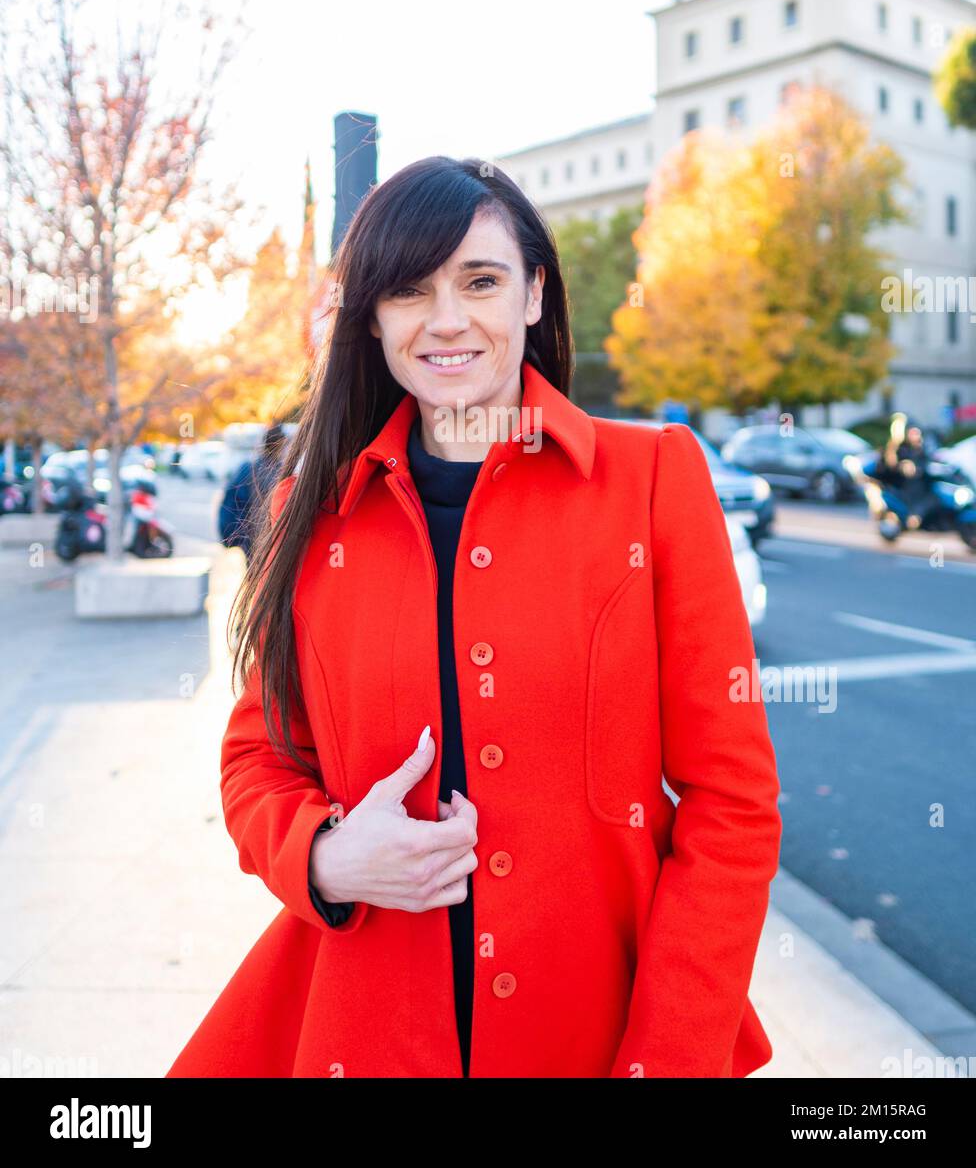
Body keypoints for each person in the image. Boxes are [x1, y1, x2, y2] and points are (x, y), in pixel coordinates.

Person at [166, 156, 783, 1080]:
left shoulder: (654, 478)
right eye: (409, 290)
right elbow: (258, 759)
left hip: (602, 1034)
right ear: (372, 320)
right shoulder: (312, 506)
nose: (446, 319)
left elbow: (731, 805)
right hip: (361, 1028)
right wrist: (326, 860)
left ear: (534, 294)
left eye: (481, 281)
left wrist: (668, 1061)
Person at [217, 423, 288, 563]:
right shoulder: (283, 473)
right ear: (281, 445)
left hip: (250, 540)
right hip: (275, 541)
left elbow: (231, 502)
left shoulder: (248, 469)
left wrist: (236, 536)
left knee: (253, 578)